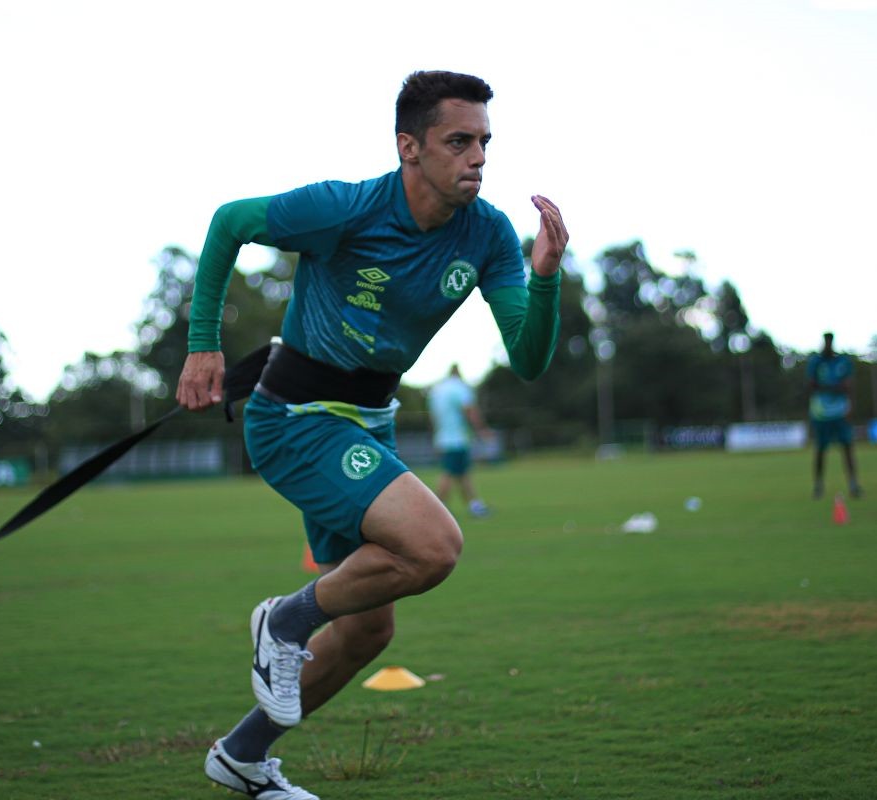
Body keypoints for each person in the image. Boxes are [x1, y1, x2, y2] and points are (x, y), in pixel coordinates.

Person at [176, 71, 567, 800]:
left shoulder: (486, 234)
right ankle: (284, 623)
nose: (477, 157)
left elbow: (530, 359)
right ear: (409, 147)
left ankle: (242, 757)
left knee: (366, 634)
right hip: (297, 420)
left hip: (371, 425)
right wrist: (204, 345)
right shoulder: (345, 208)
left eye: (484, 141)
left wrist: (544, 279)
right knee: (435, 545)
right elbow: (230, 220)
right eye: (459, 141)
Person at [427, 364, 493, 517]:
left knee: (462, 473)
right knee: (449, 472)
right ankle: (436, 510)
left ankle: (475, 505)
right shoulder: (460, 388)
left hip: (443, 437)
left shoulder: (437, 390)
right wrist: (482, 430)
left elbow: (433, 417)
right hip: (456, 438)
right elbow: (469, 410)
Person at [806, 332, 862, 499]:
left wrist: (850, 404)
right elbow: (811, 385)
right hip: (821, 412)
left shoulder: (843, 362)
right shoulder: (816, 362)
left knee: (847, 448)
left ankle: (853, 484)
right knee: (821, 450)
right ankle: (818, 485)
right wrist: (833, 387)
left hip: (840, 411)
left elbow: (848, 386)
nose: (828, 345)